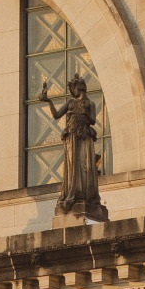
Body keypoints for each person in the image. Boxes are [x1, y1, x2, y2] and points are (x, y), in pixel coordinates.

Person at [41, 73, 107, 223]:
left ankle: (84, 193)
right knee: (73, 167)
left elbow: (92, 120)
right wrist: (48, 101)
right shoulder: (70, 102)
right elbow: (57, 115)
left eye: (73, 88)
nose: (72, 91)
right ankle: (73, 192)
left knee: (85, 166)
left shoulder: (90, 104)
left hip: (84, 137)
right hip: (71, 137)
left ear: (80, 87)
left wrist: (85, 114)